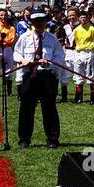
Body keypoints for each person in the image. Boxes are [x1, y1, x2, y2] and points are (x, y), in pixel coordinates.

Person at [14, 11, 63, 148]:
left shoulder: (52, 39)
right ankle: (24, 139)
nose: (40, 23)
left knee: (50, 108)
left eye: (42, 20)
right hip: (30, 76)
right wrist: (23, 60)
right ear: (32, 23)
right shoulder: (24, 37)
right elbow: (16, 53)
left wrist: (50, 63)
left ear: (46, 21)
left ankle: (52, 139)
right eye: (36, 21)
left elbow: (60, 56)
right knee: (26, 109)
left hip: (47, 76)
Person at [71, 11, 94, 104]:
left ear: (88, 18)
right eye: (81, 17)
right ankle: (79, 97)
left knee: (91, 77)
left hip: (89, 53)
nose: (83, 19)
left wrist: (93, 52)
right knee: (78, 75)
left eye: (85, 17)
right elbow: (75, 42)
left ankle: (92, 98)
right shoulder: (76, 30)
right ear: (79, 18)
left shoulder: (92, 29)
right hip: (79, 53)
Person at [0, 8, 17, 98]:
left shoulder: (11, 28)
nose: (3, 17)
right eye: (1, 15)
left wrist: (0, 40)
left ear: (7, 16)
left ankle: (9, 92)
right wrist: (2, 40)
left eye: (5, 15)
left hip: (7, 49)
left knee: (9, 70)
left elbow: (11, 40)